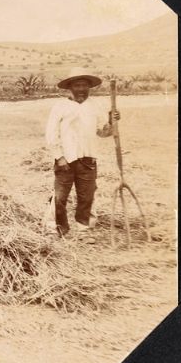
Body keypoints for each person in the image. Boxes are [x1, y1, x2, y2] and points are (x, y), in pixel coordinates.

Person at [45, 67, 121, 241]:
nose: (81, 89)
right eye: (77, 85)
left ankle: (83, 229)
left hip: (88, 158)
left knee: (87, 196)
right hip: (66, 159)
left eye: (84, 86)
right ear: (70, 87)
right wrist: (59, 156)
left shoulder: (95, 106)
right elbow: (51, 134)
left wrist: (112, 122)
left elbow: (103, 132)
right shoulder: (60, 107)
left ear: (89, 87)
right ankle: (54, 228)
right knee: (60, 196)